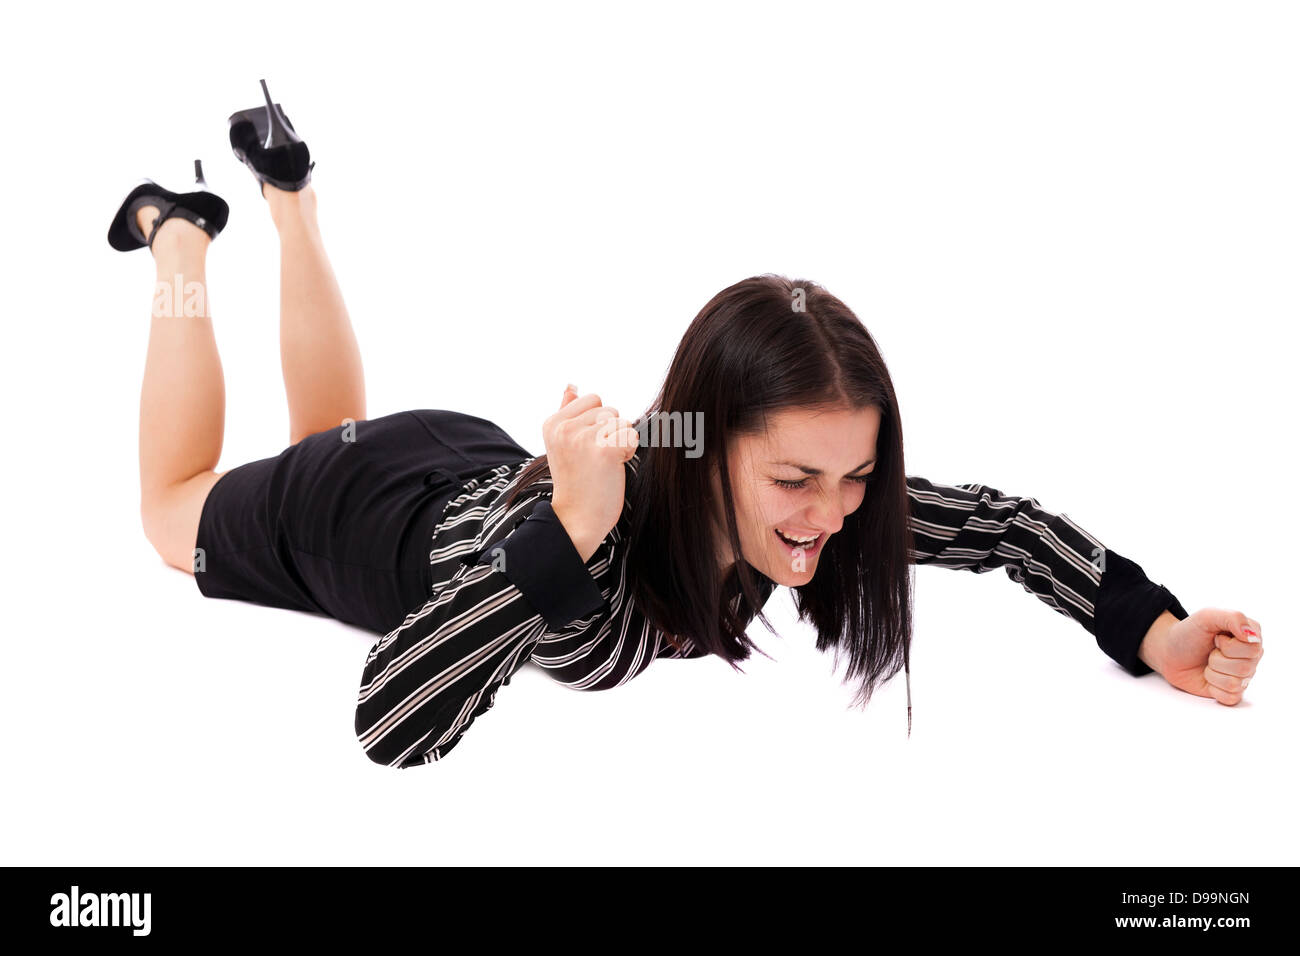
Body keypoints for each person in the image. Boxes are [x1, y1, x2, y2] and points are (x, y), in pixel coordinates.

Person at [109, 80, 1265, 769]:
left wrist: (1151, 628)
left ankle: (295, 197)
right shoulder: (597, 533)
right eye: (799, 480)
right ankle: (181, 237)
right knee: (176, 500)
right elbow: (390, 719)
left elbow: (998, 526)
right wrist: (561, 529)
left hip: (448, 457)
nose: (832, 515)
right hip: (373, 523)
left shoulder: (765, 481)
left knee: (335, 428)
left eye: (854, 475)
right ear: (715, 451)